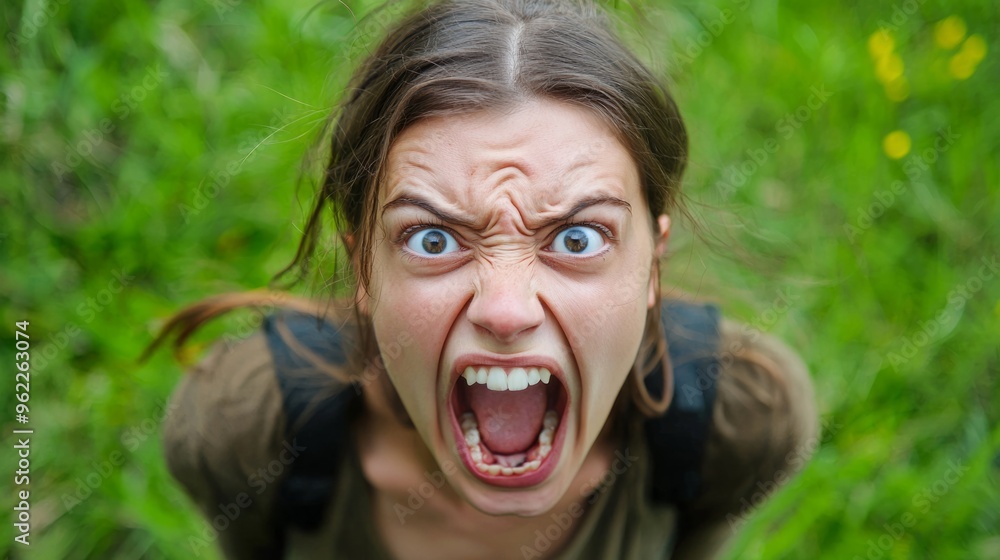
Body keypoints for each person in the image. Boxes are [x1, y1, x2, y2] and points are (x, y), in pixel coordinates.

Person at [152, 0, 818, 558]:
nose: (506, 310)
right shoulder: (241, 432)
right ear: (363, 270)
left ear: (652, 264)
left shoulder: (738, 423)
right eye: (433, 239)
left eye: (577, 238)